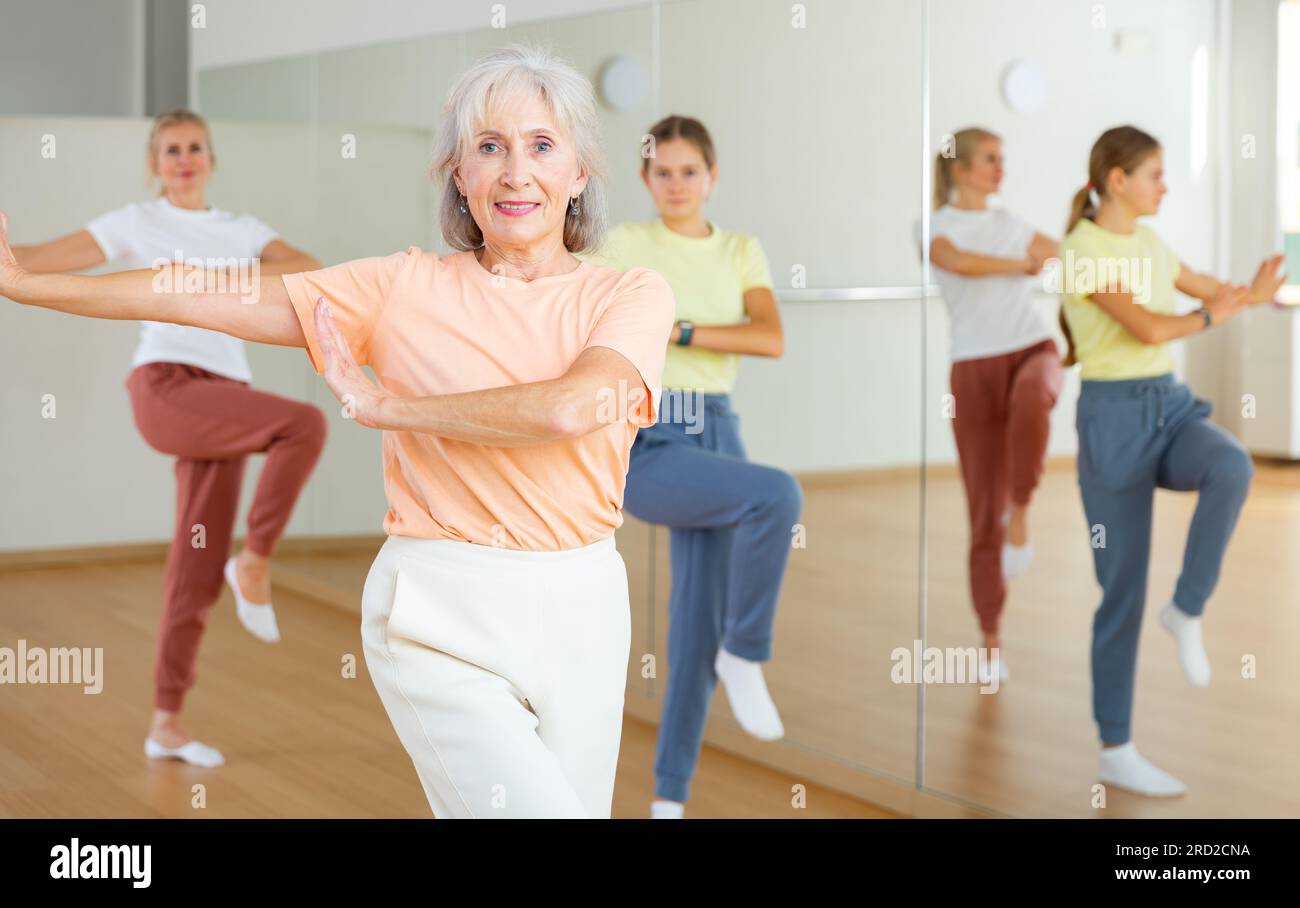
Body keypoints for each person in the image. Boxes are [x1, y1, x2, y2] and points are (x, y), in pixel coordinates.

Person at [1, 44, 674, 818]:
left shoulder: (632, 295)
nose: (516, 172)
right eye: (489, 147)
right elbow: (197, 292)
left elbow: (569, 407)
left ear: (579, 173)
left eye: (541, 146)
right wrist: (26, 284)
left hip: (584, 602)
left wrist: (390, 408)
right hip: (440, 611)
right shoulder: (400, 287)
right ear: (460, 173)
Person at [9, 109, 325, 768]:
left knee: (195, 568)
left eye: (195, 148)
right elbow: (36, 261)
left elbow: (307, 268)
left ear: (211, 158)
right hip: (165, 388)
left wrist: (215, 281)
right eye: (171, 149)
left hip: (225, 400)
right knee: (304, 423)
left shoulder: (241, 231)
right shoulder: (135, 220)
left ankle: (167, 724)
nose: (184, 158)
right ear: (155, 163)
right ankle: (258, 562)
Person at [581, 115, 801, 819]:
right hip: (653, 434)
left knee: (694, 625)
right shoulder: (624, 244)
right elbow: (577, 318)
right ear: (645, 179)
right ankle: (750, 650)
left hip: (721, 432)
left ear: (712, 176)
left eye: (689, 171)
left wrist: (674, 330)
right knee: (779, 496)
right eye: (662, 172)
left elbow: (769, 338)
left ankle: (669, 798)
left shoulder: (741, 249)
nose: (676, 184)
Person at [1059, 124, 1286, 797]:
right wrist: (1216, 314)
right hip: (1113, 421)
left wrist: (1256, 288)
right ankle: (1115, 747)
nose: (1166, 185)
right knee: (1121, 595)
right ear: (1118, 180)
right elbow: (1150, 327)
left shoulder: (1152, 242)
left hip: (1170, 405)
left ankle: (1187, 608)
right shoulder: (1080, 250)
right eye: (1156, 174)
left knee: (1232, 466)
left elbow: (1209, 288)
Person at [928, 126, 1064, 683]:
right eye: (990, 159)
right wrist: (1023, 266)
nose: (1000, 169)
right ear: (960, 168)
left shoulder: (1011, 223)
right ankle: (990, 641)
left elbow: (1064, 256)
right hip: (974, 367)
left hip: (1033, 347)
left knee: (1038, 395)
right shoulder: (934, 225)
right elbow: (958, 262)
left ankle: (1024, 508)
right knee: (983, 513)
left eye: (1002, 159)